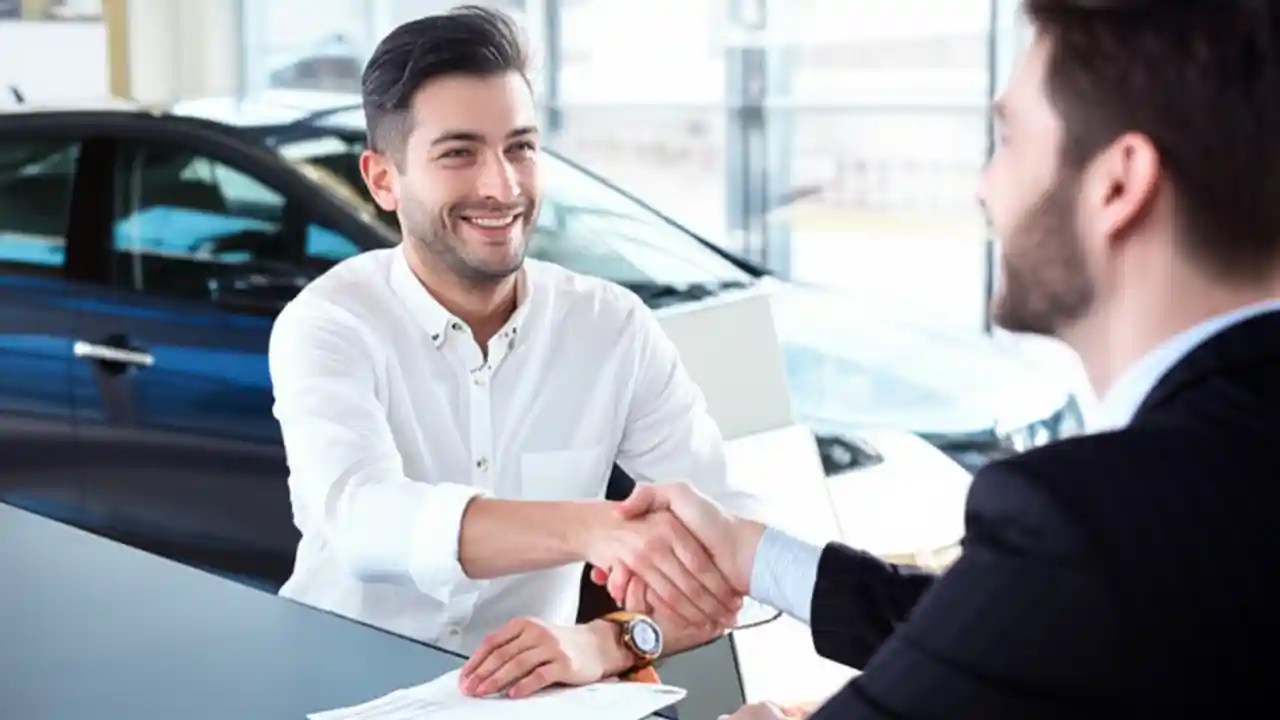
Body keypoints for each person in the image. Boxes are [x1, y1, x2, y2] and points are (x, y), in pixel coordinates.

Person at [593, 0, 1280, 717]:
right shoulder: (1213, 475)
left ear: (1118, 183)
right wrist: (751, 552)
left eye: (1009, 138)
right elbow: (1021, 630)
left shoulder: (1095, 519)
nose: (984, 186)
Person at [267, 5, 764, 695]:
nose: (501, 186)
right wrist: (590, 529)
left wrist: (607, 641)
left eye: (521, 147)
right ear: (383, 179)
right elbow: (362, 519)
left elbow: (728, 549)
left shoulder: (613, 328)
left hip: (525, 704)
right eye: (458, 153)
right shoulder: (328, 323)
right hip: (339, 689)